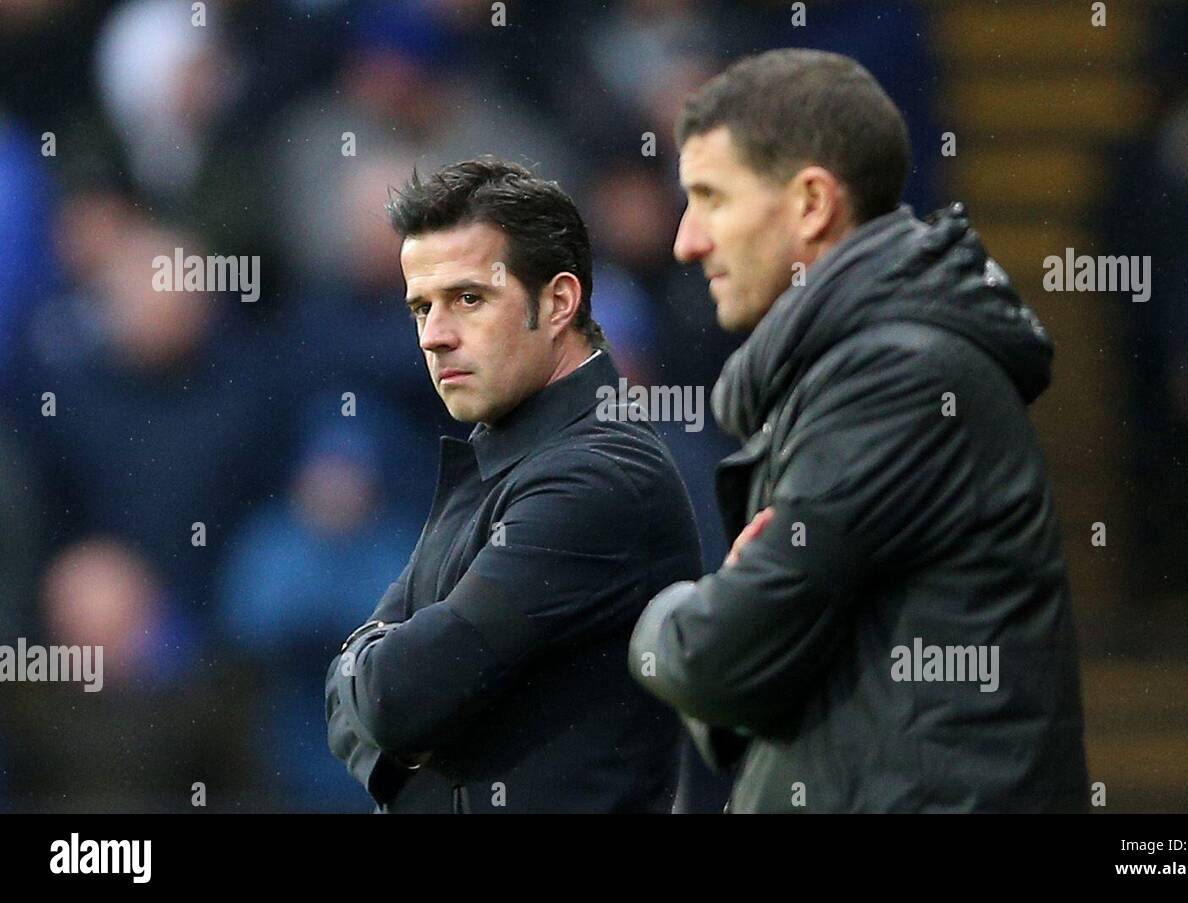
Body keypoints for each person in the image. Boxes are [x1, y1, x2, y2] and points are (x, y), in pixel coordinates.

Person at [629, 48, 1089, 812]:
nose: (687, 240)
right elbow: (749, 686)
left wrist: (665, 612)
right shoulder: (848, 365)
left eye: (711, 197)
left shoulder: (895, 377)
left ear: (812, 202)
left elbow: (713, 657)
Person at [325, 157, 702, 813]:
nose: (436, 336)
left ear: (558, 301)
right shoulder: (504, 456)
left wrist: (385, 694)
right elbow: (349, 706)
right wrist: (382, 691)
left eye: (469, 298)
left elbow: (397, 697)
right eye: (421, 306)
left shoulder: (599, 477)